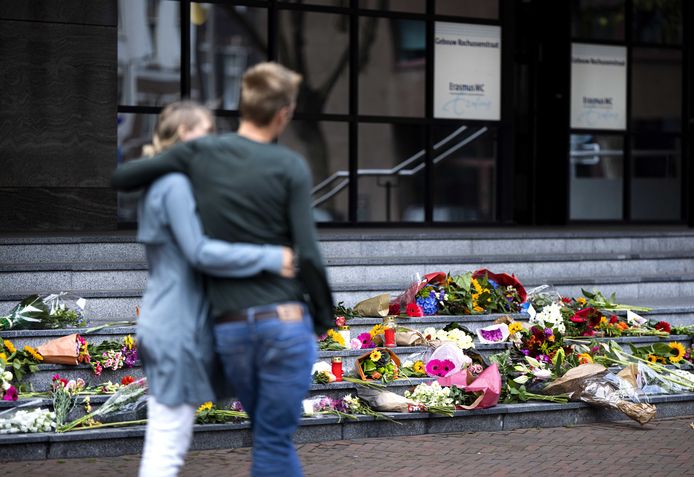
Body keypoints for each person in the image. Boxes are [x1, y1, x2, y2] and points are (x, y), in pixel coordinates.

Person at [112, 63, 333, 477]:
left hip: (227, 329)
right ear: (283, 112)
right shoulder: (282, 166)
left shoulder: (198, 159)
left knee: (251, 439)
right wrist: (318, 310)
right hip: (256, 322)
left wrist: (180, 157)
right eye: (205, 129)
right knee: (243, 444)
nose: (211, 137)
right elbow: (305, 252)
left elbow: (125, 176)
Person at [131, 100, 295, 477]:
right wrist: (268, 258)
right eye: (203, 132)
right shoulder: (172, 183)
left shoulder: (165, 181)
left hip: (170, 322)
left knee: (166, 443)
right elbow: (199, 251)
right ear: (182, 135)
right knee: (167, 449)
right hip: (176, 329)